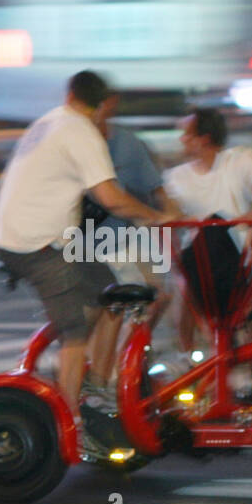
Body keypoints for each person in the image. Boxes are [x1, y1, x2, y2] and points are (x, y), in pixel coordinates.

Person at [0, 71, 170, 437]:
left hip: (39, 237)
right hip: (36, 244)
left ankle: (98, 387)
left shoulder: (49, 121)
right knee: (74, 330)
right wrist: (156, 217)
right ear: (101, 104)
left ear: (70, 94)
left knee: (113, 296)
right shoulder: (80, 131)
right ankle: (69, 424)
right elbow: (111, 197)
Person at [163, 107, 252, 353]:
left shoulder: (241, 160)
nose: (181, 140)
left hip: (239, 254)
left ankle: (251, 372)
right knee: (185, 290)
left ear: (204, 138)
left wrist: (249, 216)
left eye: (186, 134)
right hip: (197, 261)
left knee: (242, 295)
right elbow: (170, 213)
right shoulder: (174, 178)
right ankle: (189, 358)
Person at [86, 91, 174, 391]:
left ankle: (130, 359)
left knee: (159, 294)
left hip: (127, 231)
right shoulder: (76, 140)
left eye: (105, 103)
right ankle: (100, 379)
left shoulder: (126, 142)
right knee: (112, 304)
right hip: (85, 237)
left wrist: (167, 211)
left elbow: (156, 189)